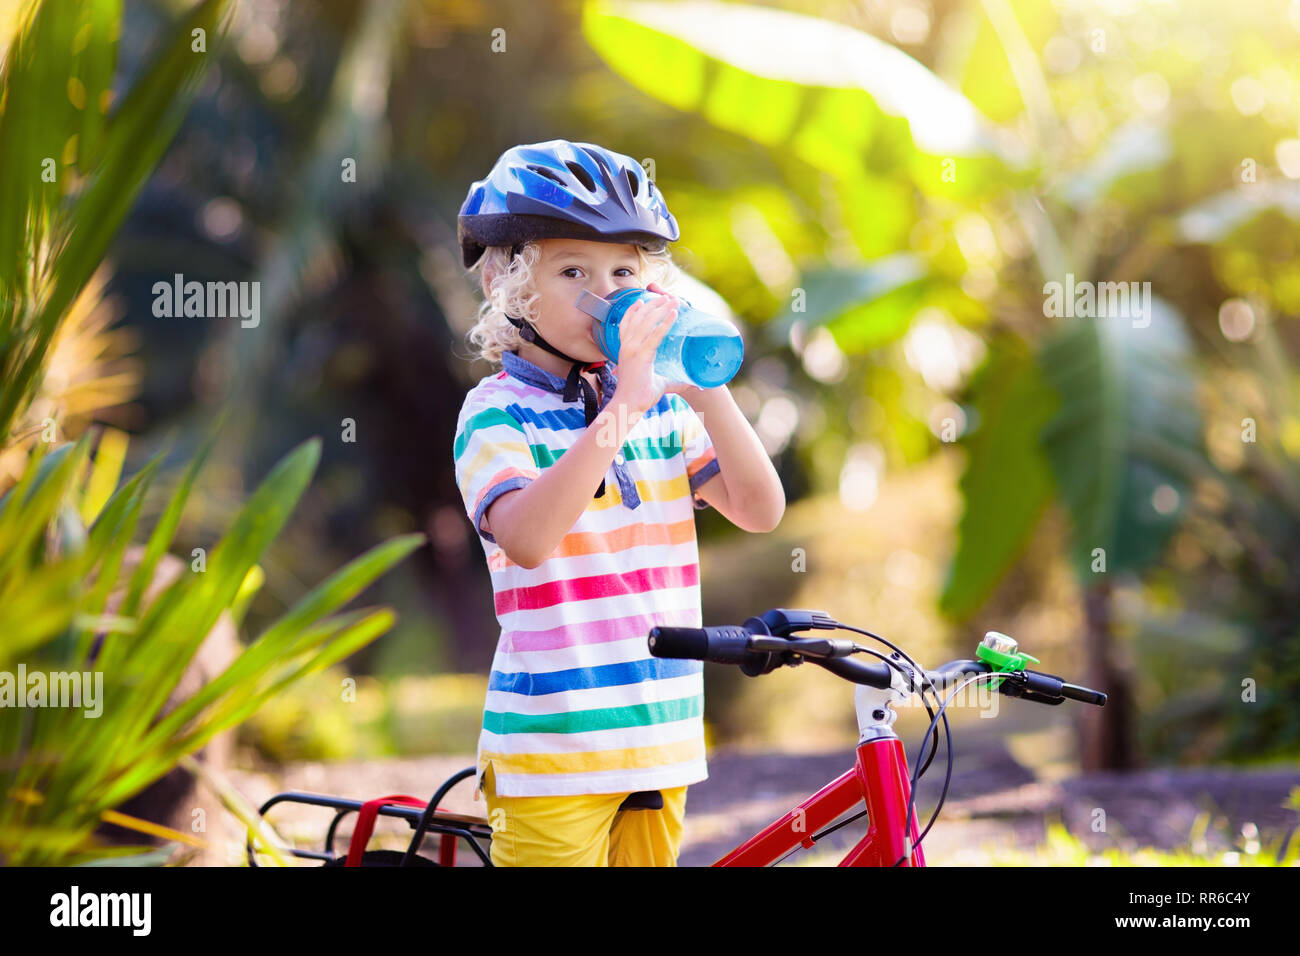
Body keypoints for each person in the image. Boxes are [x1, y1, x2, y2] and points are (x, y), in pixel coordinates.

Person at [452, 139, 785, 866]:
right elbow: (528, 539)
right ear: (507, 285)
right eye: (574, 271)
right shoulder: (495, 414)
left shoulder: (663, 411)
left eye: (624, 272)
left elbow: (761, 510)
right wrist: (621, 407)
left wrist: (706, 389)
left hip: (662, 743)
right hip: (553, 755)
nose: (606, 294)